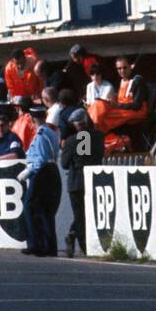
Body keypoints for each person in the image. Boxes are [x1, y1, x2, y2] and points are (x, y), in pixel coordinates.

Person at [60, 108, 104, 256]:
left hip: (76, 180)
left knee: (79, 214)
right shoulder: (98, 136)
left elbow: (65, 163)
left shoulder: (71, 141)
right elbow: (99, 155)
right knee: (87, 213)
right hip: (92, 179)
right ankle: (74, 236)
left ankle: (81, 242)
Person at [18, 110, 62, 257]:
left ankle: (36, 244)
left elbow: (41, 159)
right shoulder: (50, 132)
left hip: (42, 172)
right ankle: (48, 246)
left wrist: (29, 171)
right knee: (44, 210)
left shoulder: (42, 134)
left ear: (32, 119)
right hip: (49, 171)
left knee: (31, 207)